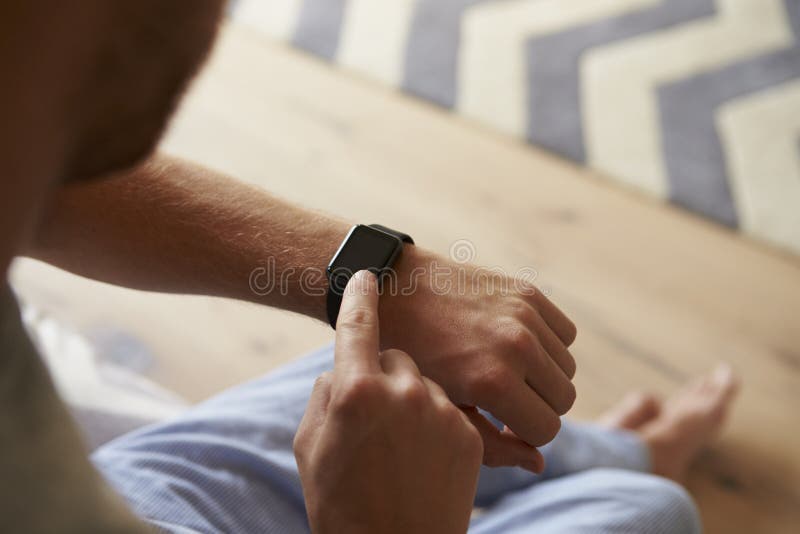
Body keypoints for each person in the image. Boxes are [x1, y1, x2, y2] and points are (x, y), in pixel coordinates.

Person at [0, 1, 738, 532]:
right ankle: (637, 471)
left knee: (399, 367)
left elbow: (44, 164)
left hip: (116, 500)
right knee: (651, 515)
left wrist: (394, 278)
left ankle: (627, 452)